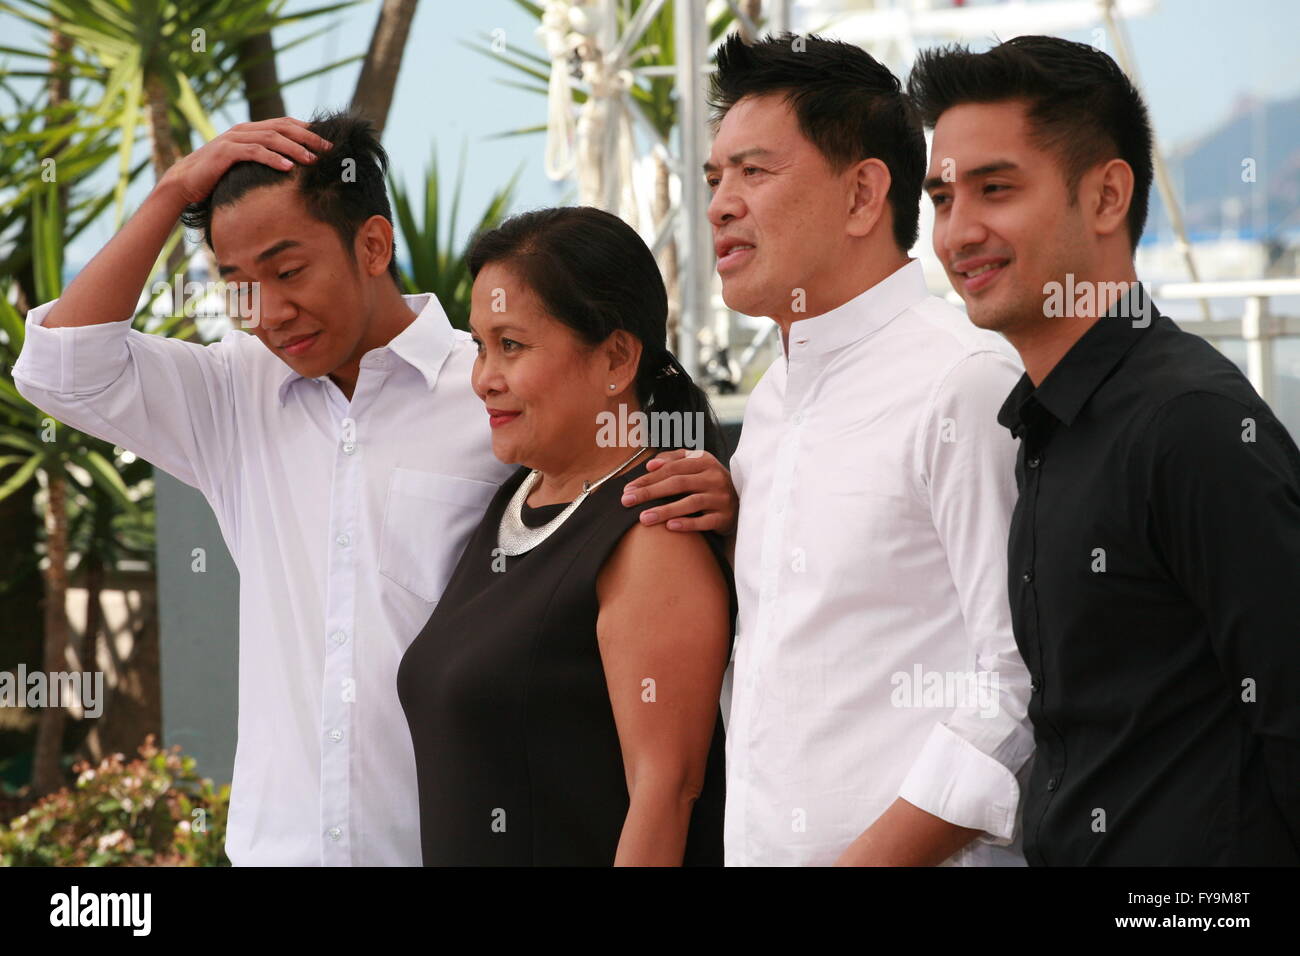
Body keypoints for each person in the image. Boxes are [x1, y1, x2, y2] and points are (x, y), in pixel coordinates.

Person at [11, 111, 736, 866]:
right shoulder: (229, 395)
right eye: (237, 285)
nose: (268, 311)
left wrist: (714, 491)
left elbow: (601, 495)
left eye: (288, 271)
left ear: (374, 245)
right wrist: (173, 191)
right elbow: (58, 367)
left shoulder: (494, 395)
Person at [909, 35, 1300, 865]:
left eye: (996, 189)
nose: (958, 231)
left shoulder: (1189, 423)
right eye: (943, 199)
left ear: (1106, 195)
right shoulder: (1046, 426)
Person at [704, 33, 1034, 867]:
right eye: (714, 178)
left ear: (862, 196)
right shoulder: (774, 400)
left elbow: (1018, 684)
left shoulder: (963, 382)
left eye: (753, 171)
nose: (719, 204)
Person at [397, 206, 735, 865]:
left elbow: (666, 792)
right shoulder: (510, 500)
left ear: (615, 357)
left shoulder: (653, 527)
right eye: (478, 346)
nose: (482, 378)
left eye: (512, 346)